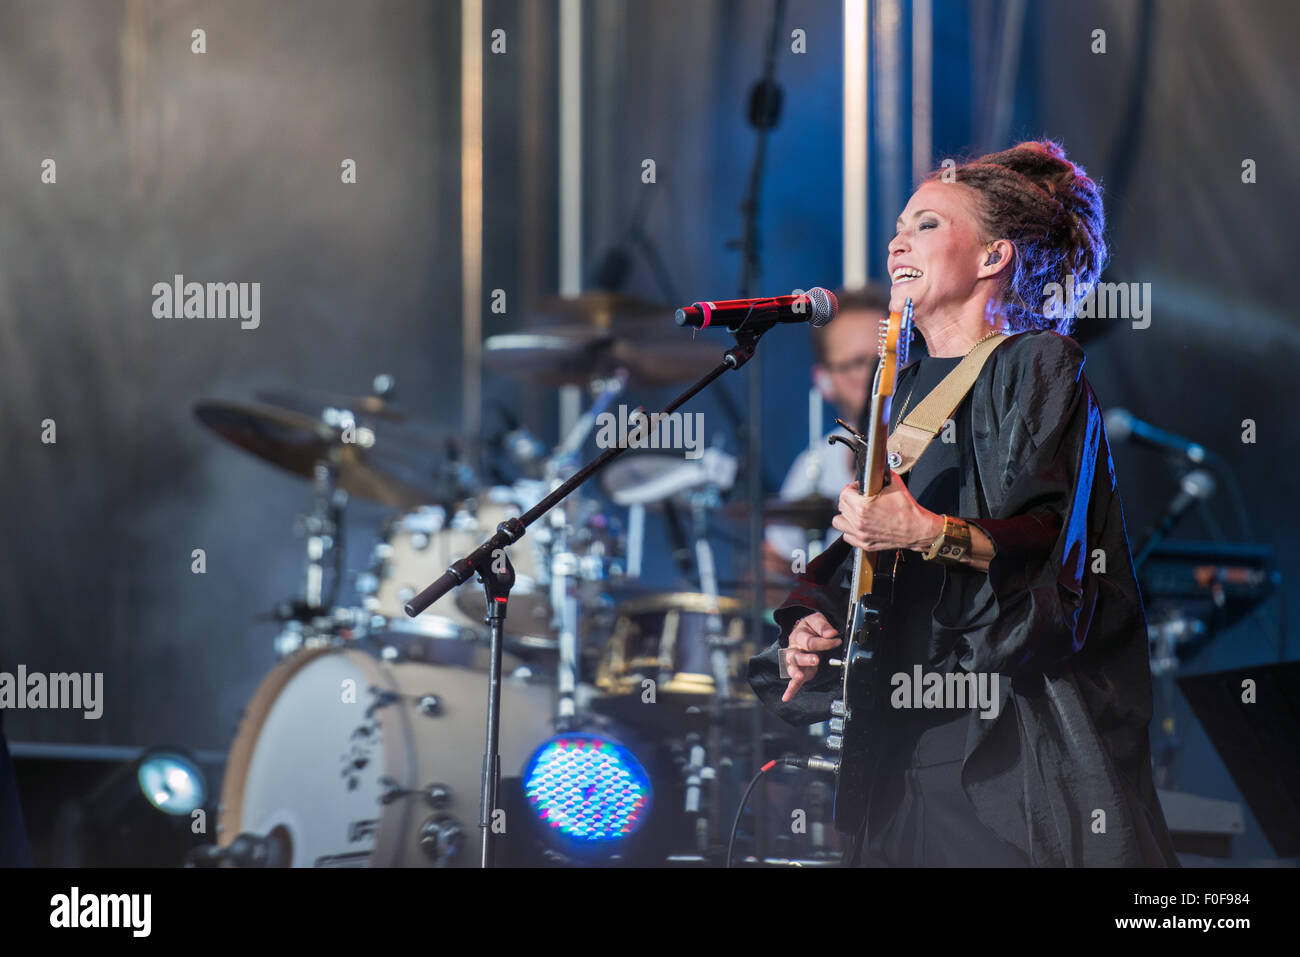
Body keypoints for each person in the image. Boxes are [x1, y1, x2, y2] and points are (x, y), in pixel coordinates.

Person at [747, 140, 1179, 867]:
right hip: (892, 760)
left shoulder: (1037, 363)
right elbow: (871, 569)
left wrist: (924, 529)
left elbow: (1046, 545)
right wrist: (815, 628)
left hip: (995, 755)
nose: (896, 241)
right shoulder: (903, 386)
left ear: (992, 258)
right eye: (899, 226)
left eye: (926, 224)